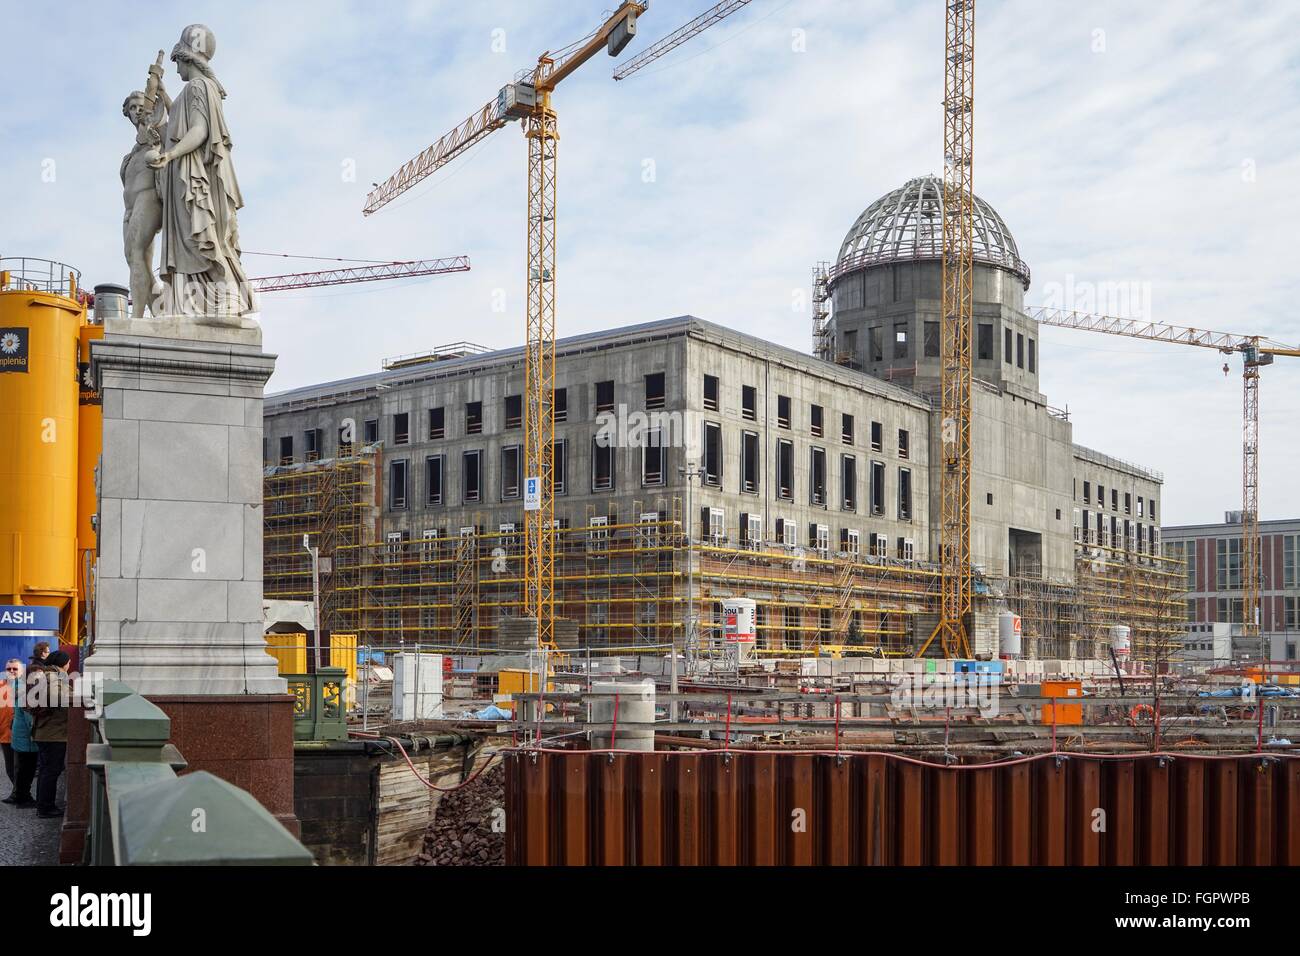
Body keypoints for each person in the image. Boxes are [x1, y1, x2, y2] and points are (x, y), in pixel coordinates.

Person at [27, 651, 72, 818]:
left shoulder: (50, 675)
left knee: (48, 770)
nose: (69, 665)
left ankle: (43, 805)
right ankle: (46, 807)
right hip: (52, 733)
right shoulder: (52, 676)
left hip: (47, 731)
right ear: (63, 663)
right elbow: (56, 697)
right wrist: (77, 697)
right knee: (51, 770)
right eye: (68, 662)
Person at [3, 661, 36, 808]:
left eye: (15, 668)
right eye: (8, 669)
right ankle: (19, 795)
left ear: (21, 671)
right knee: (13, 767)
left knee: (19, 767)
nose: (11, 671)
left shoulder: (23, 688)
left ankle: (19, 795)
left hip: (16, 734)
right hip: (6, 734)